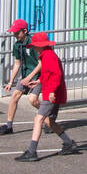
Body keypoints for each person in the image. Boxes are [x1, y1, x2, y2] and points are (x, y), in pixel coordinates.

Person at [14, 32, 79, 161]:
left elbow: (56, 75)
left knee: (38, 119)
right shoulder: (46, 55)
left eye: (35, 45)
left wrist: (52, 92)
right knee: (48, 121)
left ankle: (32, 152)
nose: (33, 47)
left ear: (41, 45)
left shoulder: (49, 56)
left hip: (51, 94)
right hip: (51, 92)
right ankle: (68, 143)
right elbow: (47, 74)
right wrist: (38, 81)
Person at [0, 19, 40, 135]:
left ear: (25, 31)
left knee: (33, 100)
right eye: (13, 32)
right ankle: (9, 126)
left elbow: (41, 63)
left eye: (17, 32)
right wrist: (10, 82)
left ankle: (48, 116)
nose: (14, 35)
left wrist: (30, 77)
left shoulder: (33, 42)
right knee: (15, 95)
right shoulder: (17, 45)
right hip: (26, 75)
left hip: (38, 75)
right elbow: (17, 63)